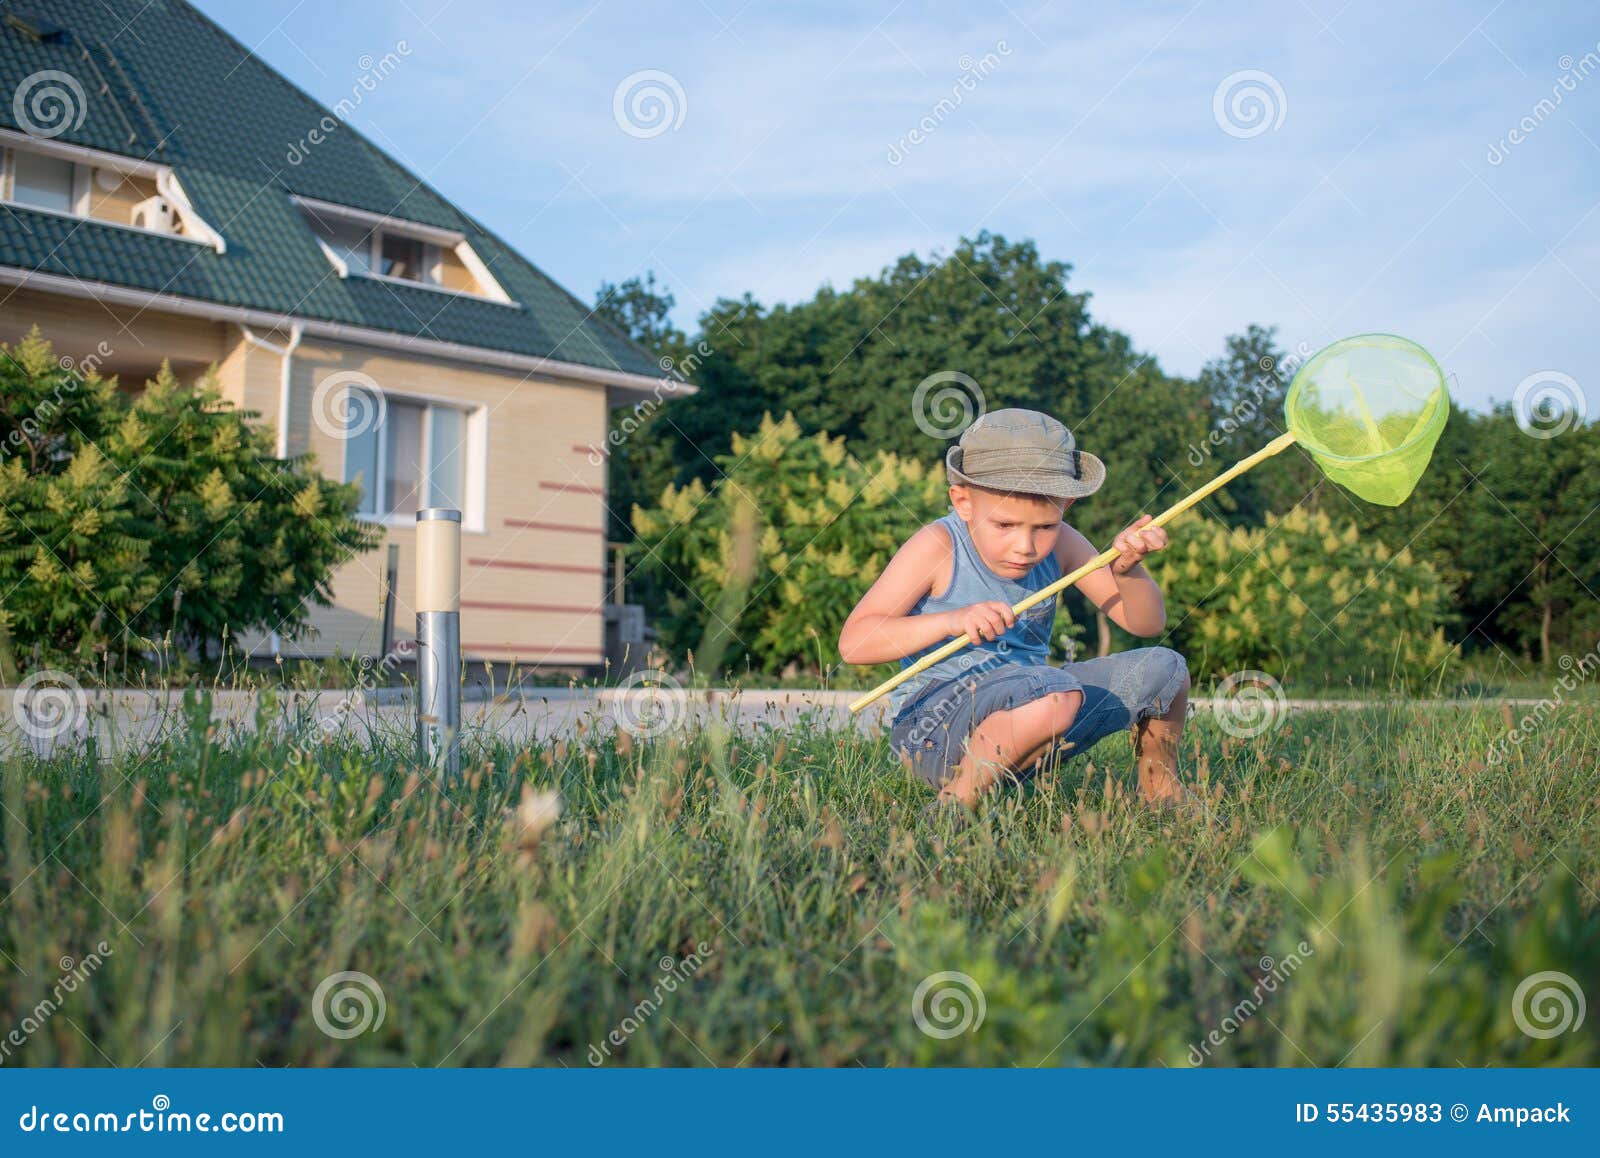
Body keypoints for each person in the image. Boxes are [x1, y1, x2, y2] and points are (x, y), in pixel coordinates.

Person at [838, 408, 1193, 824]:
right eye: (1004, 524)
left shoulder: (1064, 543)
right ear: (963, 501)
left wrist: (1127, 569)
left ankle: (1160, 791)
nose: (1026, 546)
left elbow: (1145, 624)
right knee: (1049, 691)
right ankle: (957, 803)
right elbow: (855, 643)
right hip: (936, 731)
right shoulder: (938, 544)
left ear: (1067, 505)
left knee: (1165, 669)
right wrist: (952, 620)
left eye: (1044, 526)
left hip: (1039, 710)